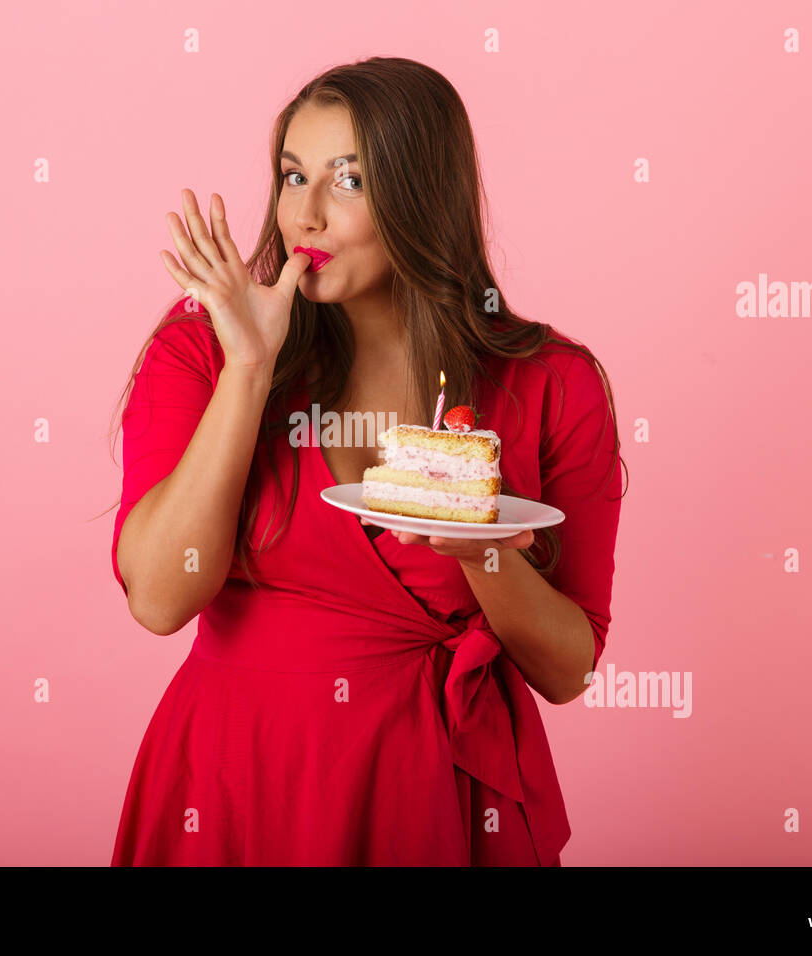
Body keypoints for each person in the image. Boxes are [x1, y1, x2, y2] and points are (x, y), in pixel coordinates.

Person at [105, 56, 625, 865]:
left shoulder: (551, 383)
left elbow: (567, 667)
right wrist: (247, 371)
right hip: (238, 786)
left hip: (439, 801)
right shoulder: (201, 349)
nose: (303, 216)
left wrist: (480, 547)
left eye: (347, 181)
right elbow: (160, 599)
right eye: (291, 176)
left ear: (422, 198)